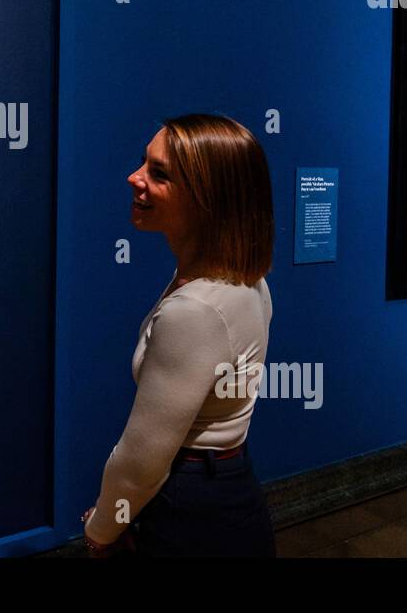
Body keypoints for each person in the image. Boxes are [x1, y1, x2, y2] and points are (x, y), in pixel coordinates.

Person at [82, 113, 276, 557]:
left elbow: (142, 459)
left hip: (188, 507)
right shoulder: (248, 281)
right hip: (230, 487)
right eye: (144, 163)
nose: (135, 178)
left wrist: (102, 527)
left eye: (159, 173)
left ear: (207, 198)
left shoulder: (195, 310)